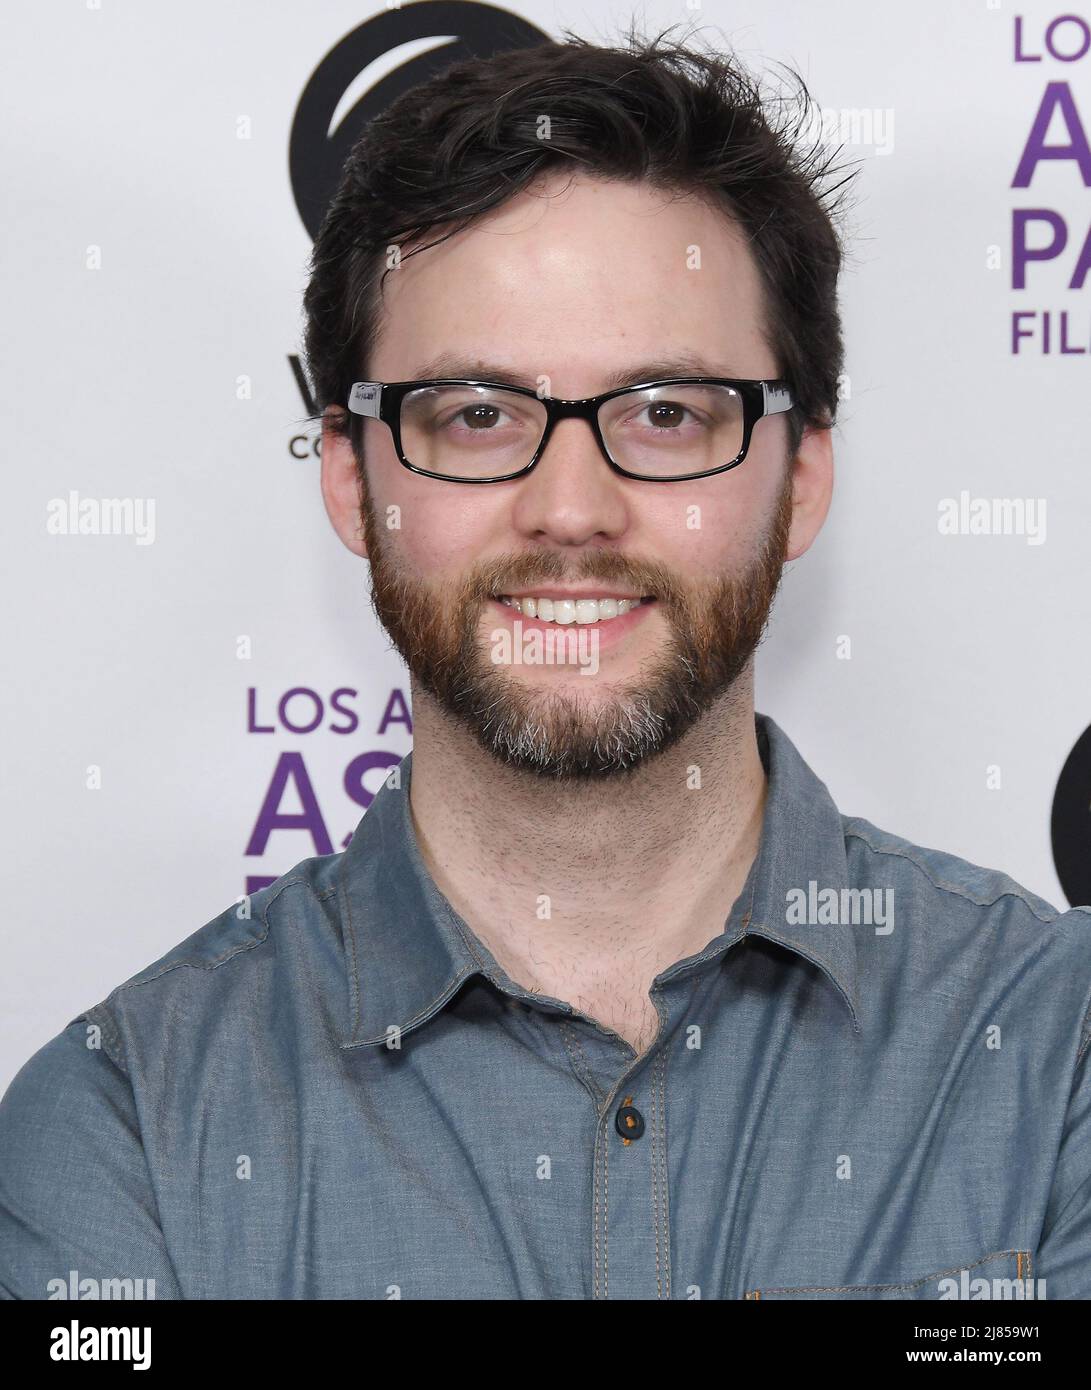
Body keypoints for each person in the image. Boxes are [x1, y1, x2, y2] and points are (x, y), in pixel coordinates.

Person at [2, 28, 1089, 1302]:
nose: (570, 508)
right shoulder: (127, 1125)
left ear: (800, 480)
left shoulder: (1055, 1052)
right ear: (352, 483)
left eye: (667, 413)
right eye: (477, 416)